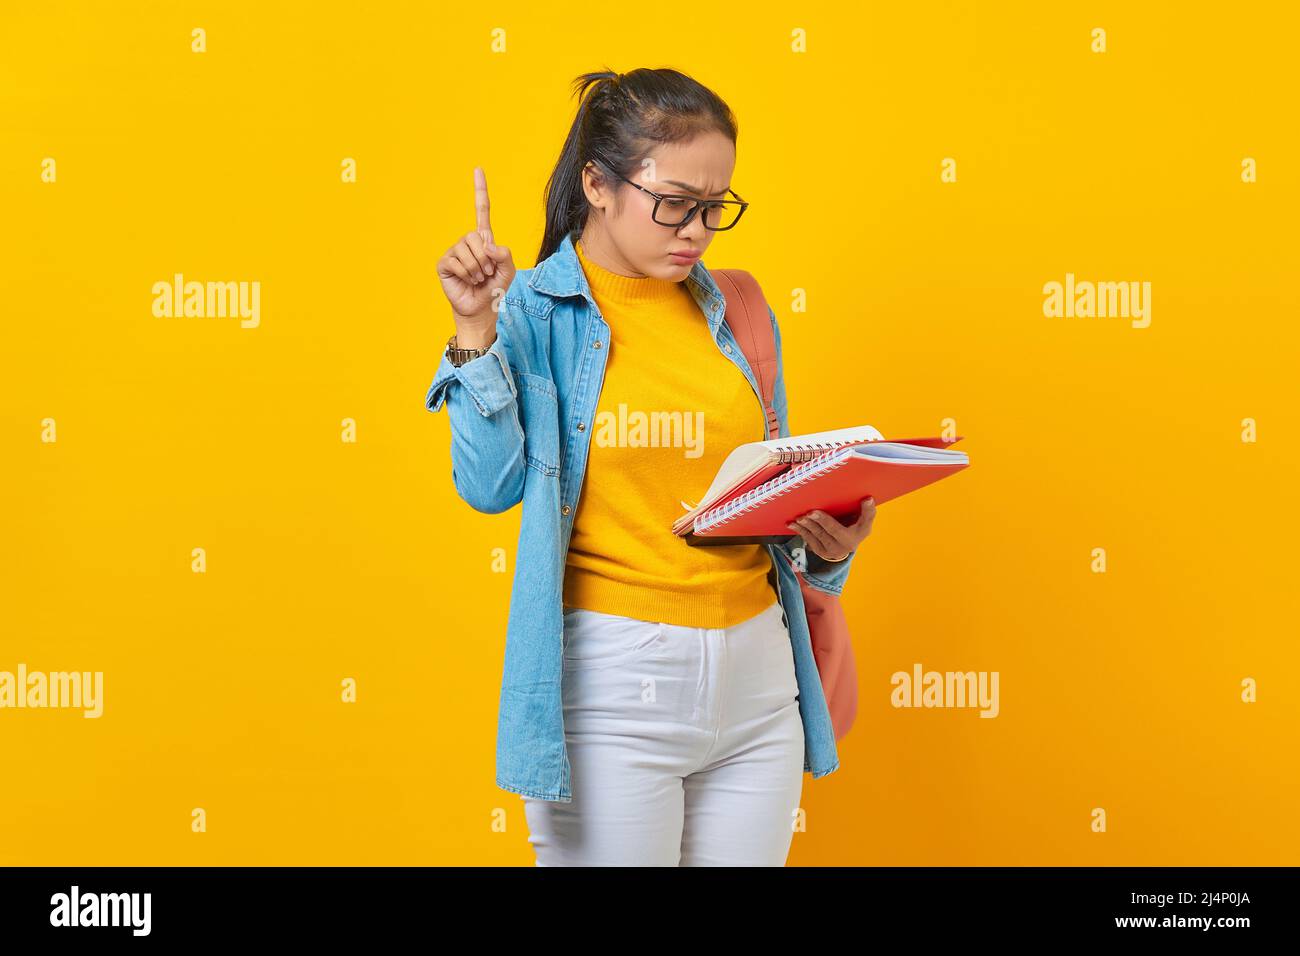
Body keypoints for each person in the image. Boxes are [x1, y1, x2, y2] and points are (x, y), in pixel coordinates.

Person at [428, 67, 875, 865]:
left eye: (714, 207)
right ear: (598, 183)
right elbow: (488, 486)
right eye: (673, 202)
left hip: (760, 683)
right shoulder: (529, 309)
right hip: (611, 687)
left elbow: (770, 492)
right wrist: (475, 328)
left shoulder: (740, 307)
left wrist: (827, 545)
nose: (696, 229)